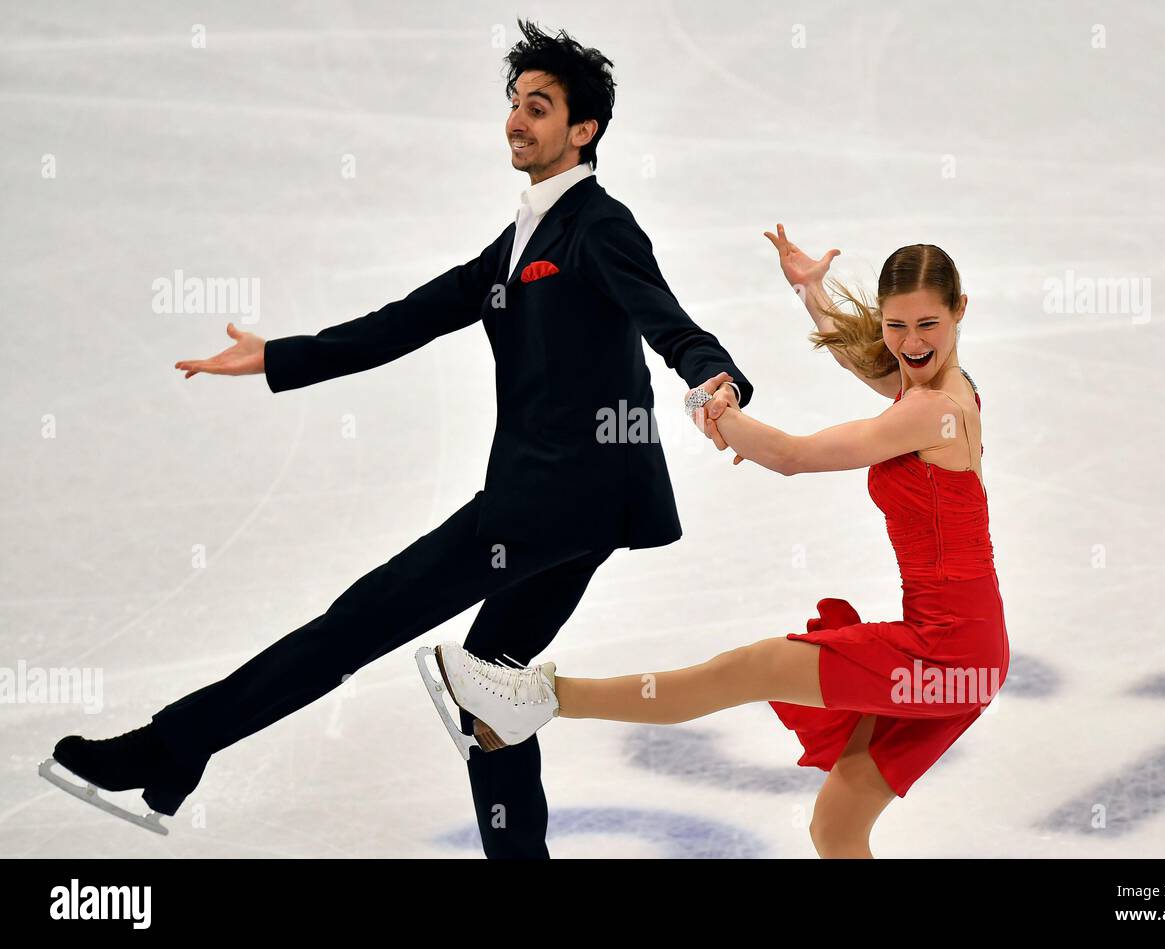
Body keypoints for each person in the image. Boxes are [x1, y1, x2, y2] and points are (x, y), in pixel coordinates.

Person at [40, 19, 751, 858]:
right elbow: (405, 322)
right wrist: (277, 356)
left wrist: (713, 376)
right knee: (494, 691)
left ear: (582, 130)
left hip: (552, 502)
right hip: (573, 505)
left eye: (541, 106)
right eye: (515, 103)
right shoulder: (521, 237)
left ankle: (172, 748)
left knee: (354, 625)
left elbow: (661, 316)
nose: (518, 120)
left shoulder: (598, 225)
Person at [425, 232, 1010, 858]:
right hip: (970, 656)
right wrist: (811, 291)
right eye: (896, 325)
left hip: (945, 652)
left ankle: (536, 701)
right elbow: (868, 362)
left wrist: (713, 405)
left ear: (960, 311)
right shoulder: (942, 384)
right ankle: (531, 705)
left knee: (746, 670)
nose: (911, 343)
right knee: (837, 831)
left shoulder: (930, 412)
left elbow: (792, 456)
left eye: (928, 324)